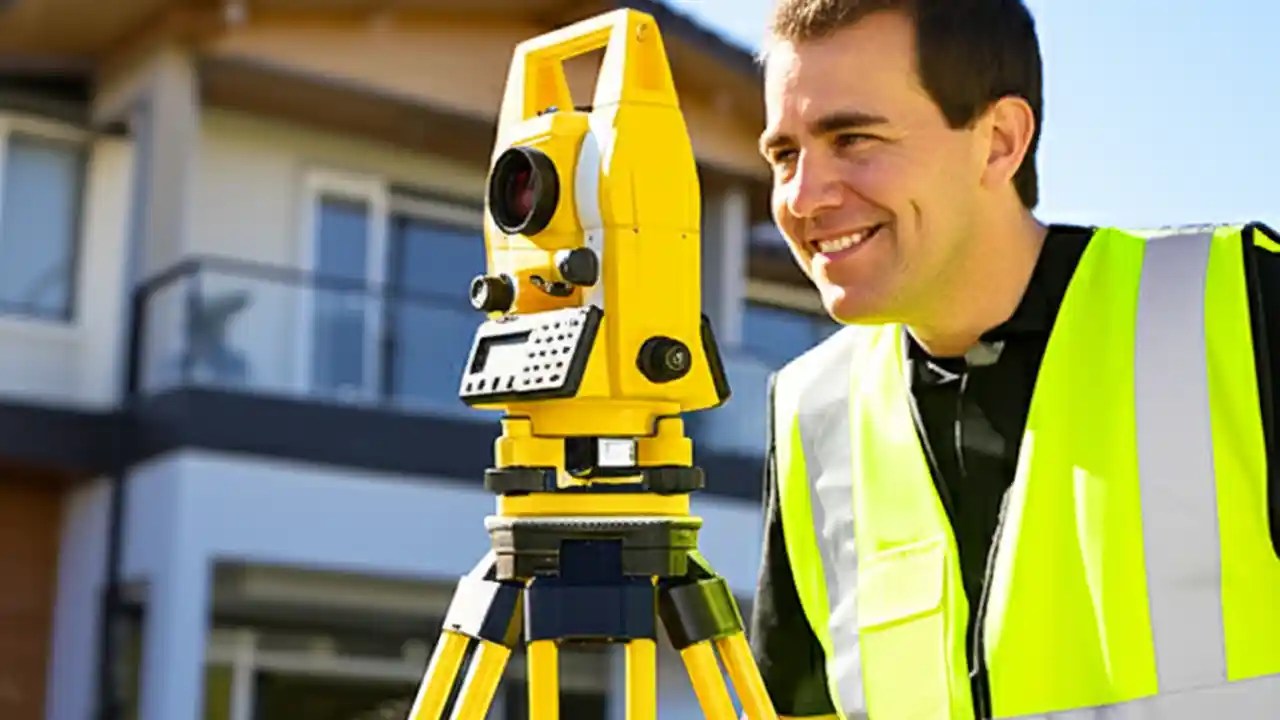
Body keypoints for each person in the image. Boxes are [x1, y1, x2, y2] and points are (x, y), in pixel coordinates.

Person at [745, 1, 1280, 718]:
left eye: (854, 139)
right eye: (785, 154)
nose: (803, 196)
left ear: (999, 141)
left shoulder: (1240, 305)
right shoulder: (810, 409)